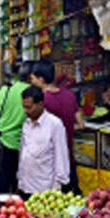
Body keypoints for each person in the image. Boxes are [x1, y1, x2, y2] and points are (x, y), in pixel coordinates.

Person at [30, 59, 82, 193]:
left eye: (33, 78)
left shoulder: (42, 102)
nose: (32, 82)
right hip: (69, 161)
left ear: (41, 79)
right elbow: (81, 124)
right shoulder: (70, 95)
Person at [18, 85, 70, 196]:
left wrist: (56, 189)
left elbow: (61, 158)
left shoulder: (55, 124)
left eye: (29, 107)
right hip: (26, 187)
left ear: (41, 104)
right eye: (24, 107)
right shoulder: (26, 124)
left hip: (44, 191)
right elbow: (23, 152)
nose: (25, 111)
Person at [0, 62, 32, 194]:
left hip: (2, 142)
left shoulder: (5, 90)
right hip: (23, 146)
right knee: (19, 187)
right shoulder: (33, 94)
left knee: (1, 186)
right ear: (31, 77)